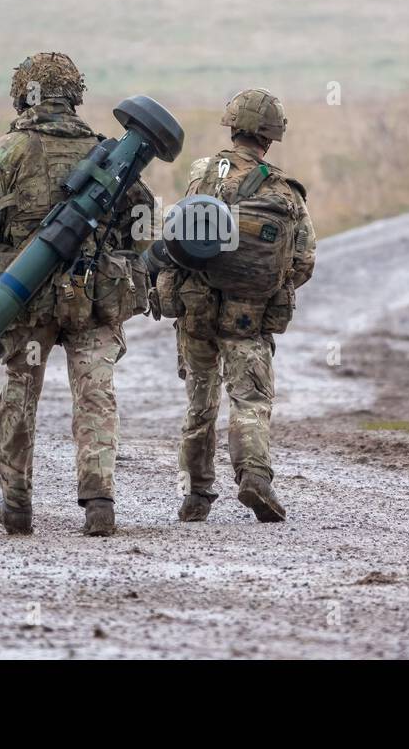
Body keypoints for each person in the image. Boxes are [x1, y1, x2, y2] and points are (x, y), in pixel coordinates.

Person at [0, 52, 153, 537]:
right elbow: (143, 227)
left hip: (25, 301)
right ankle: (99, 502)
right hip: (93, 300)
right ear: (75, 96)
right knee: (95, 393)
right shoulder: (109, 154)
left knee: (20, 391)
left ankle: (17, 502)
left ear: (22, 93)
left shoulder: (5, 153)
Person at [157, 88, 316, 523]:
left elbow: (177, 233)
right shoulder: (285, 191)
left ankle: (195, 497)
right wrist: (266, 286)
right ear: (271, 136)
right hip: (247, 314)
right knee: (249, 398)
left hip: (195, 307)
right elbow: (303, 261)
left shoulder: (201, 173)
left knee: (200, 403)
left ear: (232, 125)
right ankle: (254, 478)